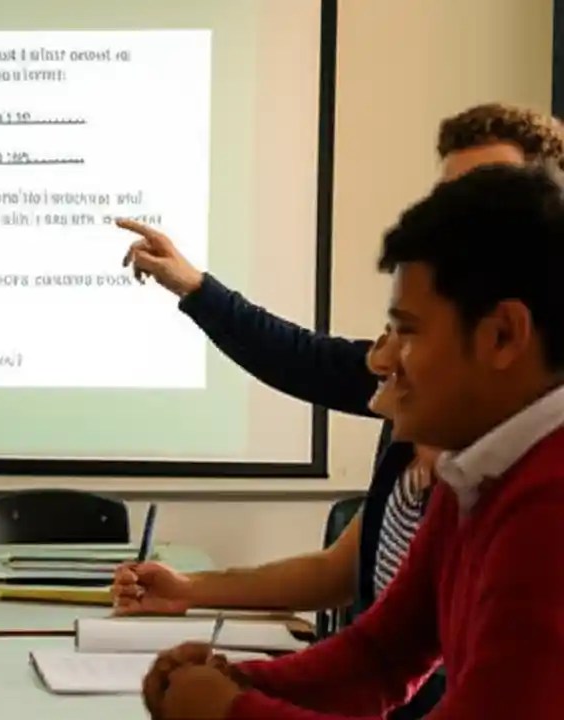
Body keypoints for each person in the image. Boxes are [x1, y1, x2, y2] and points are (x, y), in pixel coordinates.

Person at [110, 102, 564, 717]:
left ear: (505, 334)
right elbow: (380, 654)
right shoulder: (475, 466)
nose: (382, 361)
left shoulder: (546, 505)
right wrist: (241, 683)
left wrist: (230, 710)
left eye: (405, 332)